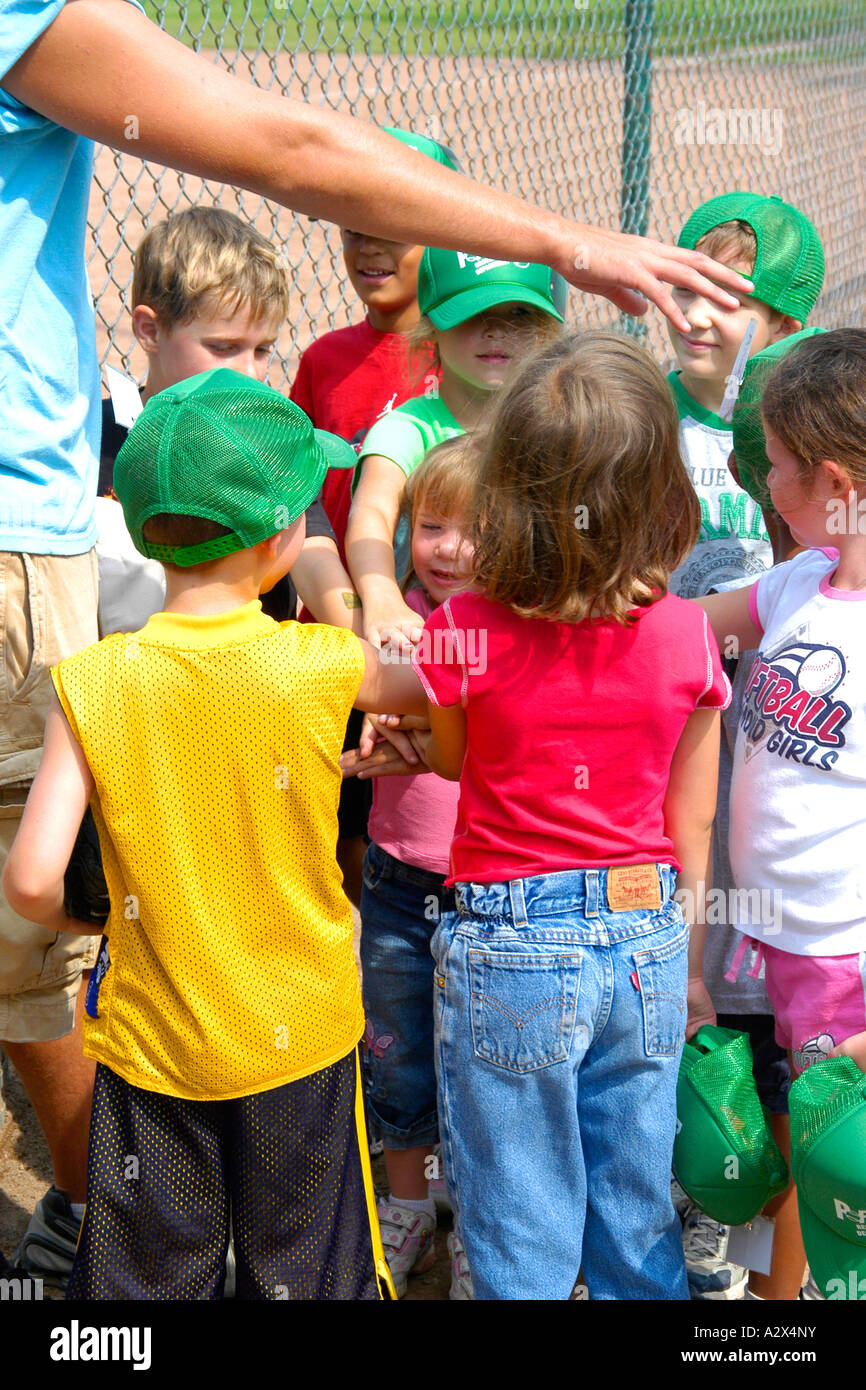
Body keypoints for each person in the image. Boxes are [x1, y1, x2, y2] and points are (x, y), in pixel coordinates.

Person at [0, 0, 754, 1277]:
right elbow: (480, 703)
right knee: (572, 1208)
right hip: (419, 995)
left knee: (437, 1221)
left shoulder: (95, 676)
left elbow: (34, 884)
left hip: (178, 1038)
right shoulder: (362, 661)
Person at [2, 368, 430, 1299]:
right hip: (300, 1045)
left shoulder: (95, 681)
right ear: (285, 538)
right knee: (313, 1271)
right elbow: (443, 691)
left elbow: (33, 883)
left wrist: (107, 921)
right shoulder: (318, 663)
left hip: (155, 1045)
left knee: (145, 1281)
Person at [413, 330, 731, 1300]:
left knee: (518, 1216)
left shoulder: (460, 628)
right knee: (633, 1205)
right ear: (659, 496)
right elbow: (693, 824)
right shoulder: (685, 632)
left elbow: (454, 759)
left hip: (510, 939)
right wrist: (685, 963)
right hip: (642, 935)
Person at [699, 327, 866, 1298]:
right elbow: (699, 625)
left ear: (832, 479)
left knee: (827, 1137)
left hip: (840, 953)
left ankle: (785, 1306)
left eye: (773, 466)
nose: (763, 483)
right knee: (783, 1120)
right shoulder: (802, 579)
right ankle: (777, 1281)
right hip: (774, 938)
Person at [99, 205, 362, 635]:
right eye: (223, 347)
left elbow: (316, 559)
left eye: (262, 350)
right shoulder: (93, 444)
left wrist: (370, 635)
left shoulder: (266, 437)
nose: (250, 374)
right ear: (149, 331)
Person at [352, 437, 477, 1298]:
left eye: (474, 531)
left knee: (478, 1067)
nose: (450, 549)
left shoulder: (515, 626)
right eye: (431, 526)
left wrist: (421, 743)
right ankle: (407, 1212)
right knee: (395, 1058)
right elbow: (373, 694)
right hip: (398, 886)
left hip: (488, 889)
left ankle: (471, 1220)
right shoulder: (395, 619)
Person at [347, 249, 565, 647]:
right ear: (430, 325)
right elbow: (373, 511)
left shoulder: (553, 427)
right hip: (422, 638)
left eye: (518, 314)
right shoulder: (407, 428)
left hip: (530, 645)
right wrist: (382, 598)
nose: (496, 330)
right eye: (474, 312)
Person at [290, 127, 460, 558]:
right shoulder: (323, 359)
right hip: (335, 606)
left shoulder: (468, 358)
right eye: (354, 229)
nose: (369, 249)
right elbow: (298, 495)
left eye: (392, 228)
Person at [666, 192, 824, 597]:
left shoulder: (808, 435)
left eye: (729, 300)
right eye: (686, 288)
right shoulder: (643, 416)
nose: (694, 317)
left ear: (784, 329)